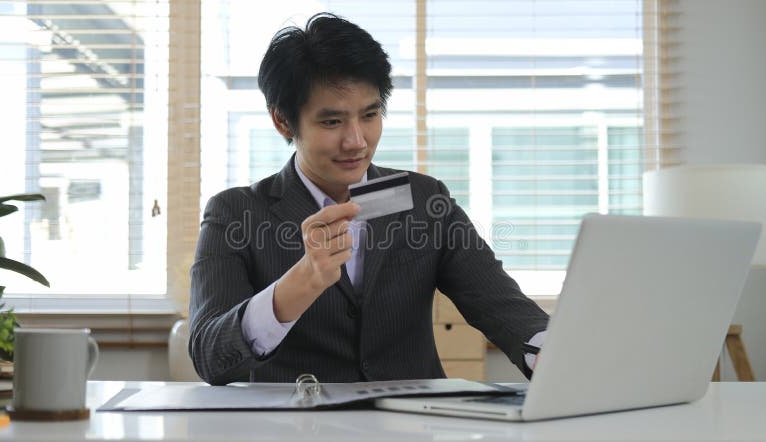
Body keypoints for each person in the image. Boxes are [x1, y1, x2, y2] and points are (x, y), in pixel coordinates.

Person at [189, 12, 549, 385]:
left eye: (370, 115)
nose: (357, 141)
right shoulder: (235, 214)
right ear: (282, 120)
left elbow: (500, 304)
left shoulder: (424, 201)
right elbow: (210, 356)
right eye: (332, 122)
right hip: (298, 416)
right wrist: (299, 283)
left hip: (413, 414)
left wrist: (554, 356)